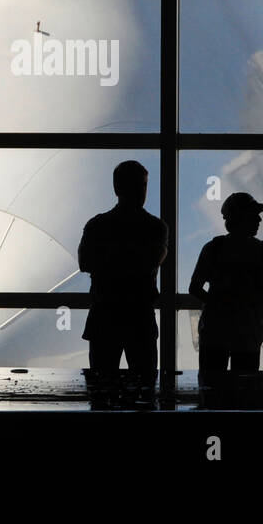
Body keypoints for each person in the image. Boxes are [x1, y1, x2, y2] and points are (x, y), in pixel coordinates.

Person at [77, 161, 168, 391]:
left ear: (116, 188)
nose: (142, 191)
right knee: (145, 387)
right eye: (142, 185)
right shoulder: (155, 227)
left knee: (101, 388)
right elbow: (148, 264)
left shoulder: (97, 226)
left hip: (104, 316)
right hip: (140, 317)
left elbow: (85, 263)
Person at [189, 193, 263, 402]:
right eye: (254, 215)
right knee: (246, 395)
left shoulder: (213, 248)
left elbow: (194, 287)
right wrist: (250, 303)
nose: (259, 220)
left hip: (214, 334)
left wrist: (219, 303)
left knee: (211, 394)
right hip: (248, 336)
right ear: (240, 218)